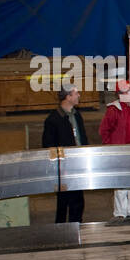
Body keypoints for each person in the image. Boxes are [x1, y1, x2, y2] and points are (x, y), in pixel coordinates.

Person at [99, 79, 130, 220]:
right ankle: (120, 212)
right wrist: (110, 149)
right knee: (122, 182)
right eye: (128, 92)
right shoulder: (113, 110)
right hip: (122, 152)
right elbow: (104, 131)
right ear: (120, 94)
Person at [42, 81, 89, 223]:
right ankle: (61, 228)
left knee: (78, 199)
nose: (79, 95)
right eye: (76, 93)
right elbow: (48, 145)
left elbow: (82, 138)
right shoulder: (53, 120)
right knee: (63, 200)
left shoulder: (77, 115)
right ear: (68, 97)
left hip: (78, 163)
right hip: (63, 167)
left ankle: (77, 224)